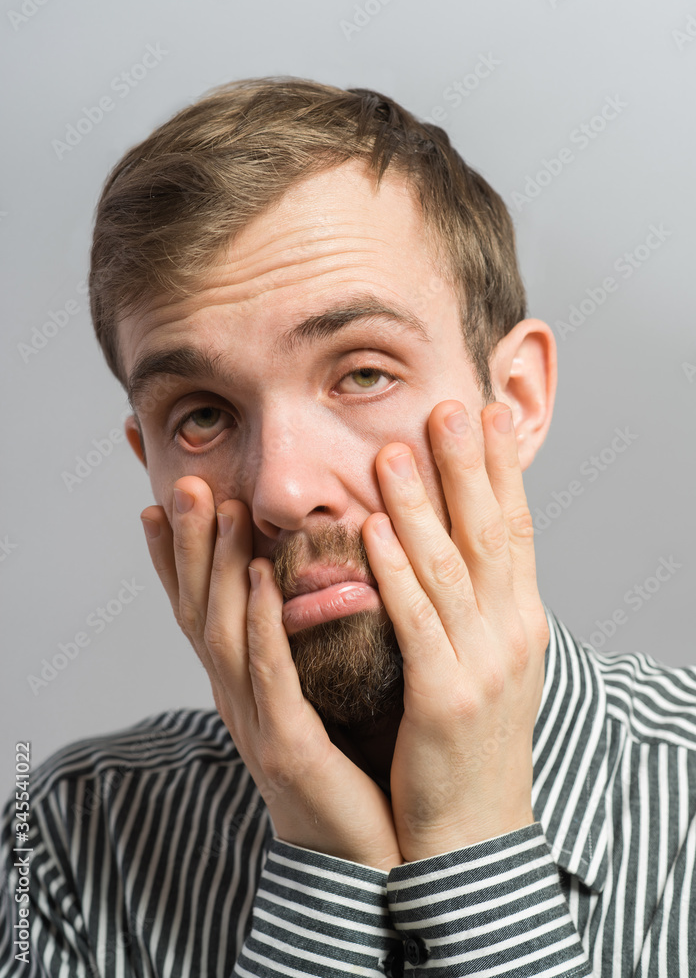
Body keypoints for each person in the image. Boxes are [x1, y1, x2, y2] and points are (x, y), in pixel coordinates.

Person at [1, 76, 695, 978]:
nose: (285, 490)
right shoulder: (60, 843)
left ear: (515, 401)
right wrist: (322, 872)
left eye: (363, 374)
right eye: (203, 416)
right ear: (153, 466)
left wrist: (474, 848)